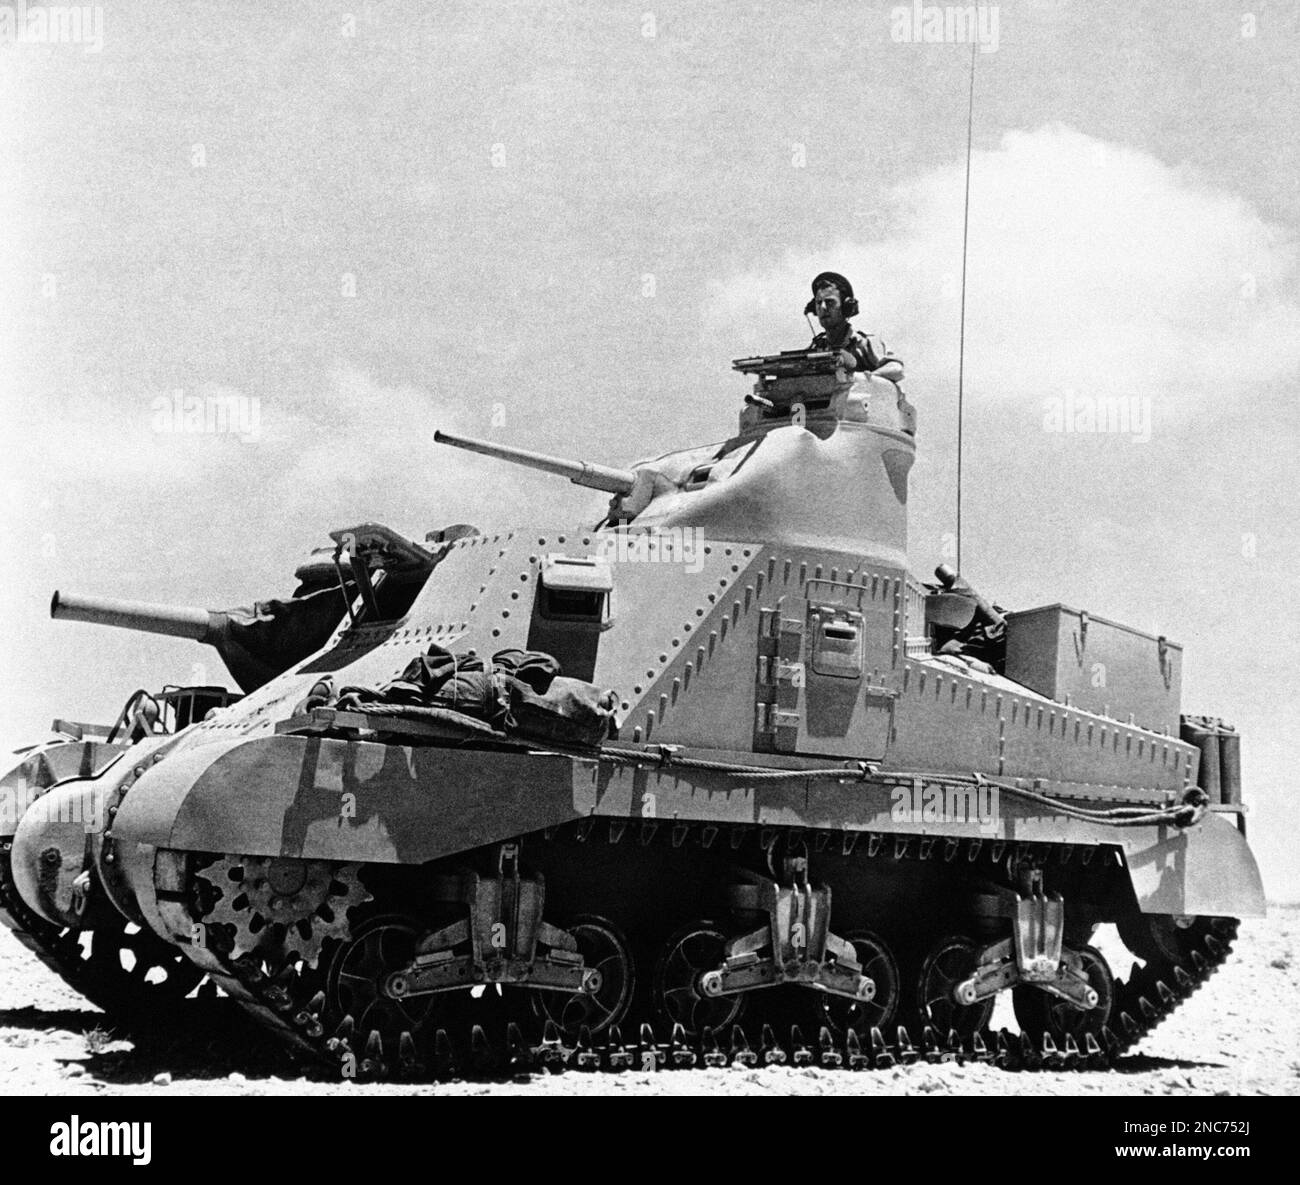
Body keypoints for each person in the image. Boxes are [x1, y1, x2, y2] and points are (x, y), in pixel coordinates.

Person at [805, 272, 904, 382]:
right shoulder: (816, 347)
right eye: (819, 303)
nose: (823, 308)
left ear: (846, 307)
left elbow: (896, 369)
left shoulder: (863, 343)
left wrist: (862, 380)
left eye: (830, 302)